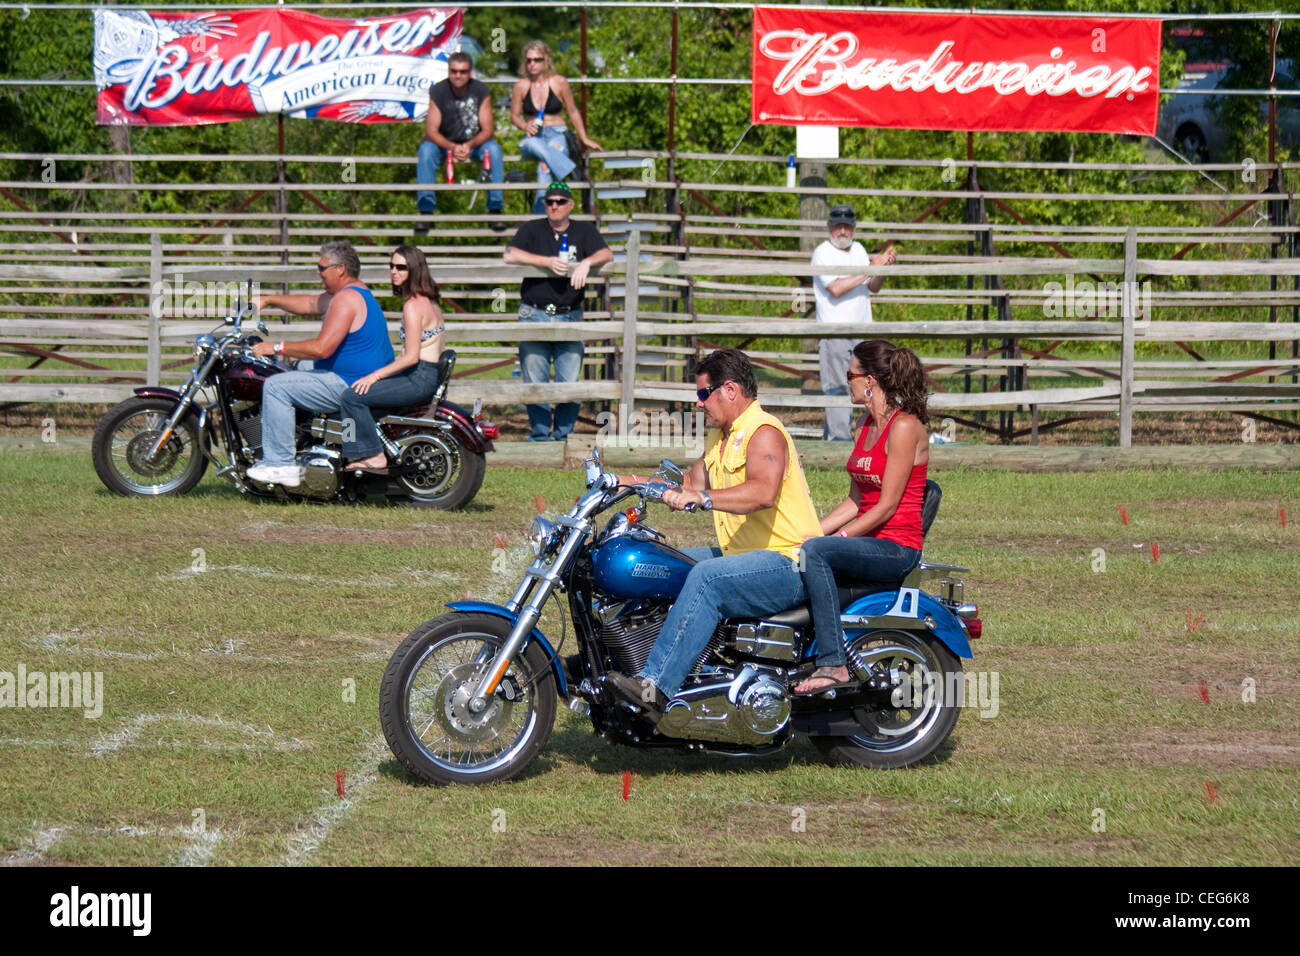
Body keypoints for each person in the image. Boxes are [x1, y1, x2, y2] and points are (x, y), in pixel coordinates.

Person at [603, 348, 823, 722]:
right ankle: (614, 661)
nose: (700, 404)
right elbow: (687, 482)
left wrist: (703, 498)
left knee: (706, 579)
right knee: (661, 565)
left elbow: (763, 491)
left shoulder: (763, 431)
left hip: (788, 562)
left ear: (731, 390)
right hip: (742, 556)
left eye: (704, 395)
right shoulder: (723, 439)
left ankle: (655, 686)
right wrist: (623, 482)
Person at [793, 339, 930, 695]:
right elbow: (856, 500)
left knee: (818, 553)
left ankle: (834, 663)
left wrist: (833, 541)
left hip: (896, 546)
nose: (846, 380)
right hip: (867, 540)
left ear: (869, 379)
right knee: (802, 547)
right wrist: (807, 531)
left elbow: (885, 506)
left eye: (850, 374)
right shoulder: (863, 425)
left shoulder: (904, 427)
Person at [245, 241, 394, 487]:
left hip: (349, 383)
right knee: (299, 366)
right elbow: (311, 304)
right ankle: (308, 440)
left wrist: (276, 347)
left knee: (275, 386)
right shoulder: (353, 292)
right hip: (356, 375)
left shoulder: (346, 299)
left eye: (322, 267)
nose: (318, 271)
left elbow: (322, 348)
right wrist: (269, 299)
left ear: (340, 269)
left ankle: (280, 464)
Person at [502, 181, 612, 441]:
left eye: (560, 201)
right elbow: (510, 254)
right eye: (550, 201)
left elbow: (607, 254)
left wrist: (586, 263)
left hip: (570, 312)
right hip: (534, 312)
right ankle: (539, 437)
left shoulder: (584, 230)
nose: (554, 206)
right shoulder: (533, 228)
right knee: (535, 380)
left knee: (569, 382)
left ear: (570, 205)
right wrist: (545, 261)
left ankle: (563, 436)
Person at [337, 245, 445, 474]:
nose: (394, 271)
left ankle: (369, 455)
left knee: (350, 397)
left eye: (401, 267)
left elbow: (411, 357)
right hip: (424, 375)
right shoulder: (431, 302)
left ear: (414, 270)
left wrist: (374, 375)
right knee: (365, 396)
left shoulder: (413, 306)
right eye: (392, 266)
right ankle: (377, 448)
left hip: (418, 377)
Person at [811, 203, 897, 441]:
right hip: (835, 332)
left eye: (847, 226)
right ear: (829, 227)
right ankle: (840, 442)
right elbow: (836, 288)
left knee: (864, 388)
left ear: (853, 228)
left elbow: (874, 286)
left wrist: (882, 269)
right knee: (838, 388)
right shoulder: (822, 252)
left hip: (861, 331)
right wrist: (870, 268)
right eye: (838, 225)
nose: (842, 231)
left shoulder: (858, 249)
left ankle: (844, 440)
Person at [416, 51, 506, 234]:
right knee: (426, 151)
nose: (458, 75)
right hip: (443, 144)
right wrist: (453, 147)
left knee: (494, 150)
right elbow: (431, 131)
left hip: (475, 143)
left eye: (463, 72)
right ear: (449, 71)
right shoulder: (438, 91)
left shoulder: (481, 91)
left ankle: (495, 210)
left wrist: (468, 145)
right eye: (454, 71)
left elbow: (488, 129)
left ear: (470, 72)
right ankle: (425, 212)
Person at [509, 40, 602, 214]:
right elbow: (514, 116)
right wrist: (524, 125)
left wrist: (584, 137)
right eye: (529, 60)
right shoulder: (521, 86)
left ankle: (539, 219)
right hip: (533, 138)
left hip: (557, 133)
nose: (532, 64)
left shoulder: (559, 82)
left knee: (544, 168)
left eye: (537, 60)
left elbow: (573, 111)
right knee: (531, 144)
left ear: (546, 60)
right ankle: (570, 169)